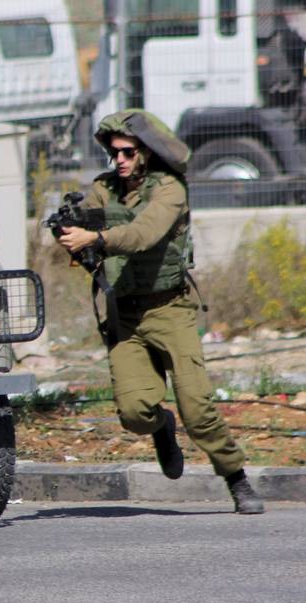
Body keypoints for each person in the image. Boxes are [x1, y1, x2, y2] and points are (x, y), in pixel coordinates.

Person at [56, 109, 264, 515]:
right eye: (114, 153)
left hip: (170, 309)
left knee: (198, 409)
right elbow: (87, 216)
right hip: (124, 316)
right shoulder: (104, 189)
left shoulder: (169, 190)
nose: (120, 160)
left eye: (128, 153)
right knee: (134, 413)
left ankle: (236, 478)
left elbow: (143, 233)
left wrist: (95, 236)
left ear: (147, 153)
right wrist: (70, 229)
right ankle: (161, 428)